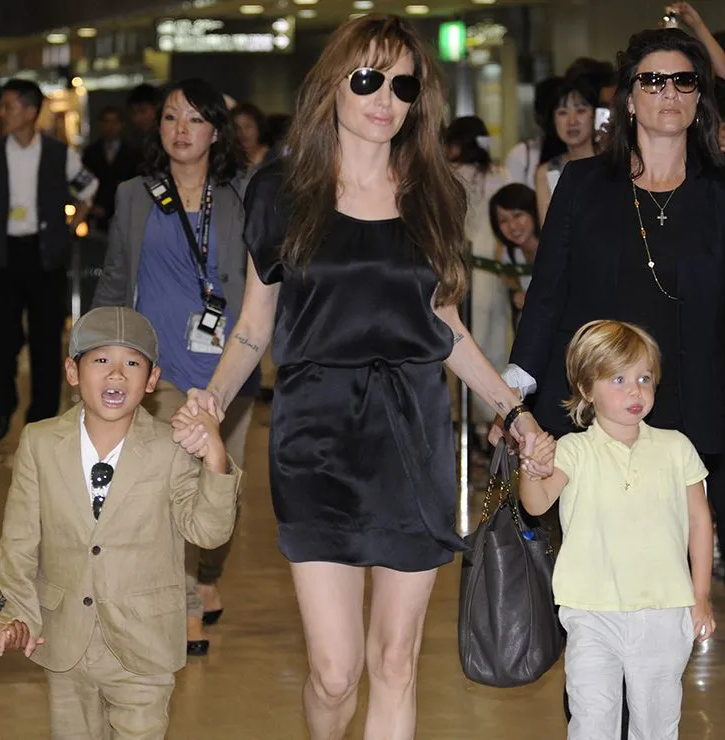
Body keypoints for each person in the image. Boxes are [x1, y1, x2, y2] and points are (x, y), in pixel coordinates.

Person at [177, 15, 552, 739]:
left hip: (412, 436)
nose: (386, 97)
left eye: (403, 83)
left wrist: (515, 409)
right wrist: (211, 401)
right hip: (313, 436)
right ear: (334, 85)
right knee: (334, 671)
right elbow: (255, 326)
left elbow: (445, 328)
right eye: (368, 78)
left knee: (396, 658)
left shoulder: (435, 194)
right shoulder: (281, 190)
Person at [502, 26, 725, 736]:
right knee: (601, 584)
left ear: (700, 99)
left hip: (707, 411)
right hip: (599, 414)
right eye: (653, 81)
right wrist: (516, 392)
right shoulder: (583, 185)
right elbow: (547, 294)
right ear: (628, 99)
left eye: (684, 81)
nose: (669, 94)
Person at [0, 306, 241, 739]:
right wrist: (14, 615)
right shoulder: (40, 443)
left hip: (145, 644)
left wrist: (214, 454)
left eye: (132, 363)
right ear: (72, 371)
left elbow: (208, 532)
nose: (117, 375)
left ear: (153, 379)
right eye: (101, 360)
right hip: (64, 640)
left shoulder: (170, 448)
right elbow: (21, 541)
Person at [94, 78, 257, 653]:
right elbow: (115, 277)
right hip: (156, 369)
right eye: (169, 118)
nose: (180, 130)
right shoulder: (137, 194)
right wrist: (96, 349)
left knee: (221, 487)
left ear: (216, 129)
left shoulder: (242, 193)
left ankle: (206, 578)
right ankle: (184, 600)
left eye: (193, 119)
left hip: (225, 372)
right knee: (170, 489)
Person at [518, 320, 715, 740]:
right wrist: (531, 468)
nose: (635, 390)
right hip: (590, 611)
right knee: (591, 719)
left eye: (645, 378)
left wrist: (699, 596)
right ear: (587, 389)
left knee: (657, 725)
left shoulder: (676, 447)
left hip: (664, 611)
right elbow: (535, 504)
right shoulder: (573, 450)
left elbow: (700, 522)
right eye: (619, 379)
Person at [0, 78, 99, 444]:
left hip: (45, 254)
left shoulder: (56, 152)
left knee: (46, 338)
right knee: (2, 338)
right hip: (4, 255)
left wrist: (74, 223)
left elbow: (89, 186)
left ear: (31, 111)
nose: (3, 113)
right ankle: (5, 402)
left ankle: (41, 417)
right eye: (1, 107)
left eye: (10, 106)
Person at [445, 116, 514, 427]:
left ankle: (466, 426)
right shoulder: (502, 175)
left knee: (458, 347)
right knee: (493, 347)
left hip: (454, 273)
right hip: (493, 275)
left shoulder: (448, 176)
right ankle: (493, 422)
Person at [534, 74, 598, 223]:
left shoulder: (615, 165)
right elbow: (549, 234)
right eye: (562, 113)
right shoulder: (547, 172)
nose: (572, 121)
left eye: (581, 110)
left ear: (595, 115)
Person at [488, 183, 541, 324]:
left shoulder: (558, 245)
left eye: (517, 215)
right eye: (503, 220)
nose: (512, 226)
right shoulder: (509, 254)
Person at [82, 106, 140, 232]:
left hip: (124, 213)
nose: (110, 127)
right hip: (96, 214)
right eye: (106, 122)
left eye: (114, 122)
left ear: (121, 125)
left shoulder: (133, 153)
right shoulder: (91, 153)